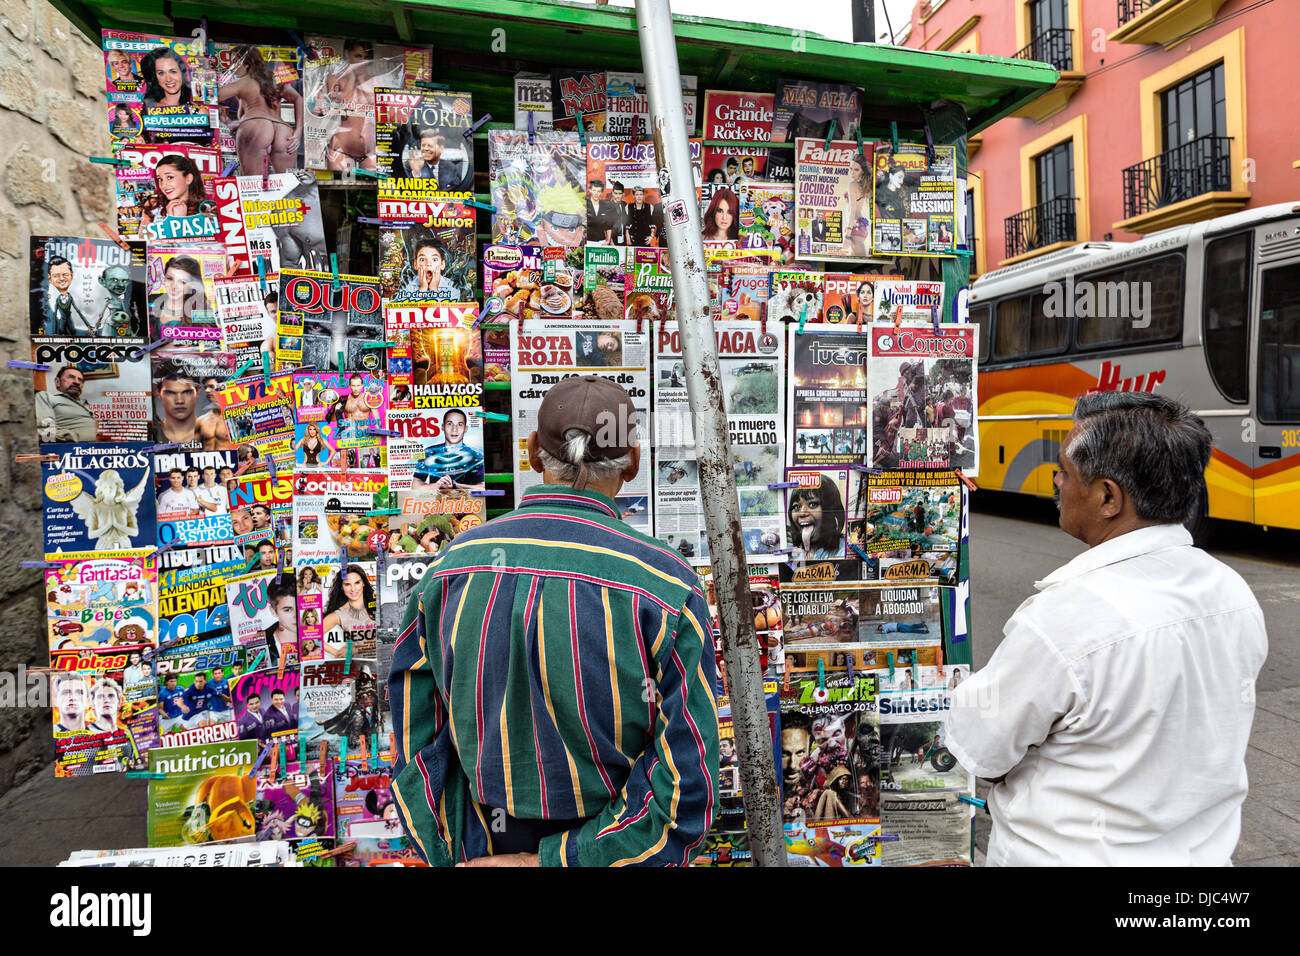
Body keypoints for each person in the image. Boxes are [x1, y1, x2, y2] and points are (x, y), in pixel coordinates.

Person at [390, 375, 718, 866]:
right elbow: (686, 789)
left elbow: (416, 738)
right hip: (617, 851)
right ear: (633, 461)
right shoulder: (667, 587)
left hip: (483, 848)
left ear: (531, 453)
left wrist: (466, 851)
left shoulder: (449, 569)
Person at [946, 392, 1268, 866]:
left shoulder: (1065, 617)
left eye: (1065, 472)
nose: (1056, 482)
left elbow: (980, 747)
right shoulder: (1233, 593)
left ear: (1108, 497)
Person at [218, 44, 303, 175]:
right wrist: (298, 132)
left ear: (247, 63)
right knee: (287, 188)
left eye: (235, 62)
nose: (232, 68)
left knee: (253, 186)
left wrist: (228, 122)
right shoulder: (275, 80)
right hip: (283, 130)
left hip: (256, 126)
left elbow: (210, 97)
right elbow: (298, 99)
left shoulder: (243, 83)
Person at [139, 154, 214, 230]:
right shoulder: (153, 203)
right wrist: (170, 221)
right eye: (160, 179)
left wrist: (179, 221)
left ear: (188, 178)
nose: (163, 185)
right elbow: (142, 237)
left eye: (170, 177)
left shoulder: (206, 208)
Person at [787, 475, 846, 561]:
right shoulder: (791, 550)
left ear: (830, 510)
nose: (802, 513)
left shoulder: (843, 550)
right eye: (796, 507)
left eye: (812, 505)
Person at [36, 366, 97, 442]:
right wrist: (75, 437)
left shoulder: (88, 406)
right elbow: (45, 432)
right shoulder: (47, 397)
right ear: (57, 381)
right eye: (71, 377)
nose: (77, 382)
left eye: (80, 380)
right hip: (75, 449)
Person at [151, 255, 209, 330]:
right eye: (169, 278)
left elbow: (213, 340)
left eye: (182, 282)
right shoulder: (150, 300)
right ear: (164, 278)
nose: (174, 286)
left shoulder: (202, 312)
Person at [322, 565, 375, 642]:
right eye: (347, 584)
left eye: (357, 583)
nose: (353, 589)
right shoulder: (339, 614)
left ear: (363, 583)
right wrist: (336, 652)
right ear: (341, 587)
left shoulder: (375, 604)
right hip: (358, 653)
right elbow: (314, 635)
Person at [154, 362, 202, 444]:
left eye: (187, 392)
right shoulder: (151, 434)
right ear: (158, 392)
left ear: (198, 391)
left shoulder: (214, 432)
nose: (179, 401)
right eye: (170, 393)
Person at [42, 255, 87, 335]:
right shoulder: (53, 299)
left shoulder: (74, 296)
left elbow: (78, 311)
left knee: (72, 332)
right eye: (56, 276)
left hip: (71, 323)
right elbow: (55, 315)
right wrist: (54, 332)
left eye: (65, 274)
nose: (62, 278)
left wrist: (88, 325)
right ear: (50, 278)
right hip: (61, 326)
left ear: (71, 275)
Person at [263, 574, 298, 667]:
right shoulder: (263, 642)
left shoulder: (324, 628)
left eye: (300, 607)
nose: (296, 615)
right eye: (287, 610)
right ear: (274, 611)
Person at [198, 376, 234, 450]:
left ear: (223, 387)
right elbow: (194, 452)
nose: (207, 390)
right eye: (205, 387)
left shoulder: (237, 418)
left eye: (211, 386)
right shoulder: (200, 421)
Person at [585, 179, 611, 245]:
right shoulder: (584, 204)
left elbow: (609, 226)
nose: (596, 193)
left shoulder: (605, 205)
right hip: (587, 241)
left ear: (601, 192)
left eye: (598, 191)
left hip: (601, 241)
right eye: (594, 190)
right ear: (590, 190)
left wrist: (608, 241)